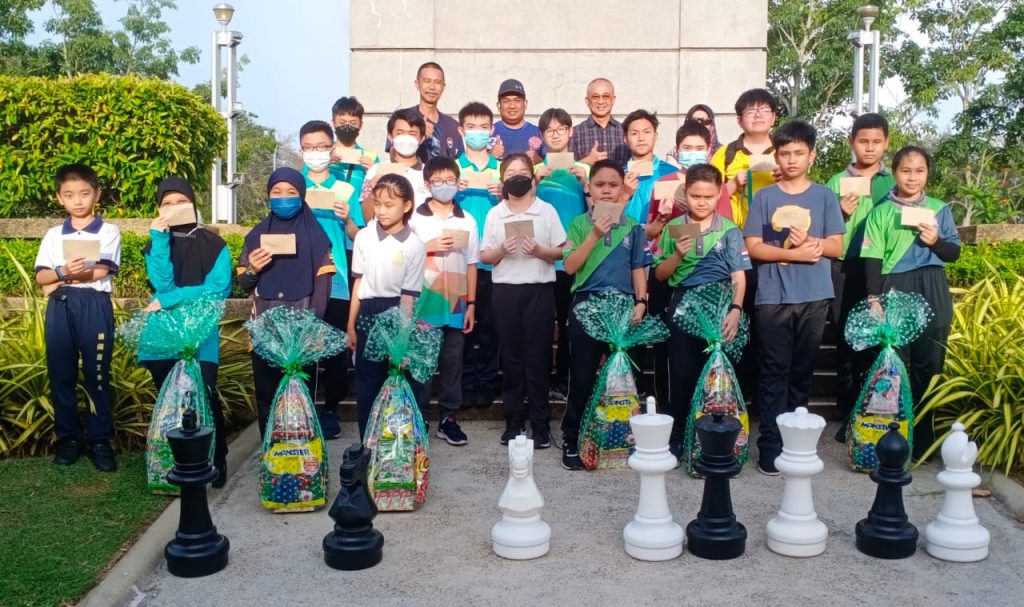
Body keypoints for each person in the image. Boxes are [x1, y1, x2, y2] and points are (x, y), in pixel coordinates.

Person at [742, 120, 845, 475]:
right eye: (784, 153)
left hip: (815, 295)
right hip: (773, 295)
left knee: (802, 372)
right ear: (776, 156)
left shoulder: (824, 196)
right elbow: (752, 246)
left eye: (799, 153)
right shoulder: (764, 196)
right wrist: (794, 254)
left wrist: (812, 246)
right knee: (773, 371)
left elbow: (837, 244)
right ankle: (769, 443)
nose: (791, 160)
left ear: (812, 156)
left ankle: (796, 440)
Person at [861, 145, 961, 460]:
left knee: (929, 365)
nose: (912, 177)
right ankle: (894, 440)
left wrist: (936, 241)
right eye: (906, 170)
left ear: (928, 173)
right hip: (895, 287)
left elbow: (953, 253)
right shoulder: (880, 210)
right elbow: (873, 257)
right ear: (895, 172)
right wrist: (873, 297)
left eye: (919, 171)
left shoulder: (939, 208)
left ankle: (925, 441)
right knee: (896, 366)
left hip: (933, 284)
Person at [140, 177, 233, 486]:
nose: (173, 208)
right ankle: (174, 463)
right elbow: (162, 283)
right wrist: (160, 238)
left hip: (200, 332)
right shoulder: (155, 244)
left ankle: (216, 459)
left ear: (193, 204)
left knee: (204, 395)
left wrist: (169, 299)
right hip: (164, 333)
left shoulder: (214, 244)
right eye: (166, 204)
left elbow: (217, 290)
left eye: (180, 202)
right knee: (170, 400)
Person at [653, 164, 749, 460]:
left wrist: (735, 309)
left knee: (718, 378)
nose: (702, 202)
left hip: (721, 307)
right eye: (695, 195)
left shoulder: (730, 231)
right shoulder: (673, 228)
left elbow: (739, 276)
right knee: (681, 376)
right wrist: (678, 253)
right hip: (682, 307)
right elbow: (660, 274)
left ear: (719, 193)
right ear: (686, 193)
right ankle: (680, 437)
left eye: (708, 196)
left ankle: (719, 438)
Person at [560, 159, 651, 470]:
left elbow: (639, 267)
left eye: (614, 185)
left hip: (624, 308)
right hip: (587, 306)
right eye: (600, 185)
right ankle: (572, 437)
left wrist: (641, 301)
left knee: (626, 376)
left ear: (622, 187)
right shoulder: (578, 224)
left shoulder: (633, 225)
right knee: (582, 376)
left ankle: (620, 436)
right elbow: (570, 267)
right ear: (590, 188)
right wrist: (595, 235)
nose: (607, 191)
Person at [35, 163, 121, 471]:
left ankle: (100, 441)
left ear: (96, 194)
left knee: (97, 375)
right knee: (62, 374)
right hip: (61, 308)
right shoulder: (53, 235)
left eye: (85, 193)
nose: (78, 201)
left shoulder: (109, 231)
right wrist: (60, 274)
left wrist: (62, 277)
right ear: (60, 198)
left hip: (94, 306)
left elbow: (100, 270)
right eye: (70, 195)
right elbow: (42, 278)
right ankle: (68, 439)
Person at [238, 167, 336, 437]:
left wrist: (312, 330)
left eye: (291, 192)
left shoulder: (317, 239)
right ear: (268, 197)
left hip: (303, 333)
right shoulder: (256, 237)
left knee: (302, 400)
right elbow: (244, 284)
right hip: (265, 334)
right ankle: (271, 459)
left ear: (302, 196)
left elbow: (322, 291)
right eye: (276, 192)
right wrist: (253, 270)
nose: (283, 198)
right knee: (268, 398)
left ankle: (305, 462)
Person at [481, 153, 566, 447]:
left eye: (522, 171)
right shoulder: (495, 214)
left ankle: (541, 423)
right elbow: (485, 256)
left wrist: (541, 251)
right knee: (512, 358)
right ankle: (514, 420)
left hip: (539, 291)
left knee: (539, 357)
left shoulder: (547, 211)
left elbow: (561, 250)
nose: (516, 177)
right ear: (503, 179)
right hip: (505, 291)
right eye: (510, 172)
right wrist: (503, 249)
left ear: (532, 177)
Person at [824, 112, 895, 442]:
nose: (869, 148)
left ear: (886, 143)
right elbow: (820, 225)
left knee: (874, 338)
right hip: (841, 265)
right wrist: (839, 211)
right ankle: (847, 409)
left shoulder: (894, 182)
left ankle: (873, 409)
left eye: (876, 142)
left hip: (878, 268)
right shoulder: (836, 182)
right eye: (863, 141)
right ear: (852, 142)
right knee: (844, 336)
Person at [348, 174, 427, 439]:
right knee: (367, 385)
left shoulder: (414, 245)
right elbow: (359, 282)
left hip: (398, 315)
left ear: (406, 206)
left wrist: (401, 341)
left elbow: (408, 298)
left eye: (389, 205)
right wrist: (351, 324)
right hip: (367, 314)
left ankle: (397, 452)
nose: (381, 211)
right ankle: (367, 448)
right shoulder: (364, 237)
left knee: (399, 383)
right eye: (377, 203)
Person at [408, 157, 479, 446]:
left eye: (450, 180)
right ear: (427, 184)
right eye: (438, 181)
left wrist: (472, 304)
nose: (444, 185)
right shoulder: (414, 217)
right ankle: (419, 415)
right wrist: (427, 247)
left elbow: (473, 263)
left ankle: (448, 417)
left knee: (453, 363)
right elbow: (402, 256)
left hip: (456, 303)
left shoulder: (468, 219)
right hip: (423, 301)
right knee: (422, 362)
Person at [300, 120, 360, 440]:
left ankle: (331, 411)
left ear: (332, 149)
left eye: (321, 147)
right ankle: (303, 408)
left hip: (336, 279)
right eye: (309, 147)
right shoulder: (292, 186)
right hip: (301, 282)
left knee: (336, 352)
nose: (315, 153)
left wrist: (346, 218)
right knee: (305, 350)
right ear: (301, 150)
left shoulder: (347, 188)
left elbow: (358, 236)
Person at [533, 107, 590, 400]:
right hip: (540, 259)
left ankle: (565, 378)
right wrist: (534, 182)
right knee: (542, 324)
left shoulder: (585, 171)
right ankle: (540, 380)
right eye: (549, 130)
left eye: (561, 128)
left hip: (573, 259)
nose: (555, 134)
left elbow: (598, 213)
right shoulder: (534, 171)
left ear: (570, 132)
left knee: (570, 323)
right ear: (542, 136)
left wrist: (586, 185)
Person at [454, 101, 504, 407]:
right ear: (461, 130)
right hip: (458, 261)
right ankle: (463, 383)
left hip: (494, 260)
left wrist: (504, 195)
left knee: (489, 327)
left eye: (483, 127)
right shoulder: (453, 168)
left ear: (491, 130)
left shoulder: (501, 169)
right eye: (471, 127)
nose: (477, 132)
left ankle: (486, 383)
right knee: (461, 327)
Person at [711, 88, 780, 229]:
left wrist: (788, 179)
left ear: (773, 118)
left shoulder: (786, 152)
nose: (758, 115)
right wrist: (733, 184)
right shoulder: (724, 155)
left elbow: (803, 190)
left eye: (765, 110)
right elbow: (707, 196)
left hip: (779, 233)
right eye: (750, 111)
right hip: (735, 235)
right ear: (739, 120)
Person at [386, 62, 464, 162]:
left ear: (443, 87)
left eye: (437, 82)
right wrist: (416, 135)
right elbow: (392, 155)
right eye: (427, 81)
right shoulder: (402, 118)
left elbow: (459, 161)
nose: (432, 87)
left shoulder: (453, 125)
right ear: (417, 84)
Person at [328, 96, 379, 247]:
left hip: (358, 223)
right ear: (333, 123)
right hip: (329, 221)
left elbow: (378, 191)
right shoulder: (324, 154)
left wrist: (373, 173)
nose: (347, 127)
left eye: (353, 123)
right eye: (342, 123)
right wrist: (324, 164)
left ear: (360, 125)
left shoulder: (371, 157)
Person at [363, 108, 430, 218]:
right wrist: (373, 191)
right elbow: (366, 217)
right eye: (400, 133)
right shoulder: (377, 169)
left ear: (422, 138)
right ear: (390, 136)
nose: (406, 138)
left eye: (412, 134)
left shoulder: (429, 172)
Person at [621, 109, 678, 224]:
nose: (641, 138)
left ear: (655, 136)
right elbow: (602, 218)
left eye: (646, 132)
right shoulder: (616, 175)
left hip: (659, 239)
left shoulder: (671, 173)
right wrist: (624, 195)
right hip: (623, 239)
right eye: (634, 133)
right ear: (626, 139)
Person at [569, 78, 630, 165]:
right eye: (595, 97)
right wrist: (585, 161)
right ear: (587, 101)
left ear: (613, 100)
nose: (600, 102)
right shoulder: (575, 133)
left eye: (605, 96)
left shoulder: (625, 131)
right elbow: (566, 172)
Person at [493, 79, 545, 163]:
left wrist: (538, 160)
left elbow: (551, 166)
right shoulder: (488, 132)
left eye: (517, 101)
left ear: (525, 104)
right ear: (498, 105)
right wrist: (489, 155)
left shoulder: (539, 133)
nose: (512, 106)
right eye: (506, 101)